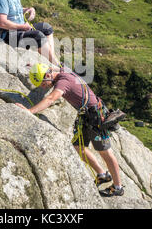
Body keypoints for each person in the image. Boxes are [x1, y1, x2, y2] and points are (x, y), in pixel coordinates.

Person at [15, 63, 127, 197]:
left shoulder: (62, 83)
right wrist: (35, 66)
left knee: (105, 153)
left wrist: (29, 111)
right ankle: (102, 174)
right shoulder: (63, 72)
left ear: (48, 75)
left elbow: (51, 98)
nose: (43, 87)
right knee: (78, 146)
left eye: (43, 84)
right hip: (86, 115)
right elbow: (56, 67)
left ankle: (118, 187)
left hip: (96, 116)